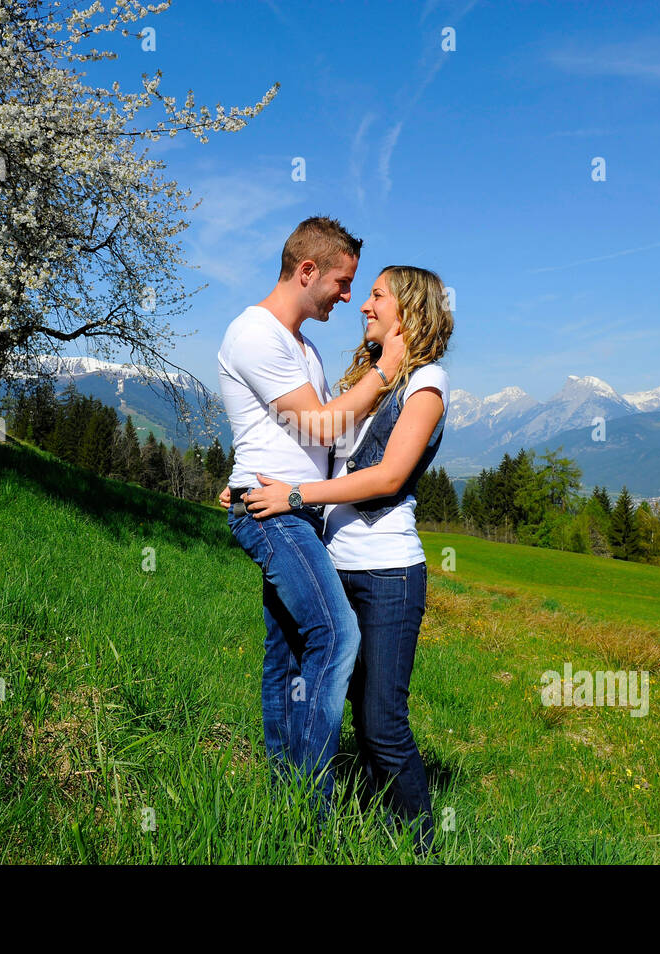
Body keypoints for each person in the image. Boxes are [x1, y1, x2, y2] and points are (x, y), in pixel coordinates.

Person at [238, 265, 452, 851]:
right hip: (339, 561)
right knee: (345, 707)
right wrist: (248, 484)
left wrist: (297, 496)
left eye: (378, 296)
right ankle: (330, 820)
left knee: (382, 725)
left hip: (388, 572)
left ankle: (420, 844)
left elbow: (386, 475)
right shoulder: (370, 377)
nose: (364, 305)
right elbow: (319, 442)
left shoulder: (426, 384)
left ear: (409, 310)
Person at [217, 216, 405, 808]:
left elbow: (303, 441)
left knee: (289, 653)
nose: (348, 297)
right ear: (307, 271)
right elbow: (321, 424)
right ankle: (311, 800)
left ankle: (283, 795)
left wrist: (243, 475)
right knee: (337, 632)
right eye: (343, 283)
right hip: (276, 515)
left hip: (291, 508)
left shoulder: (305, 347)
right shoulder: (255, 333)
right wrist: (386, 370)